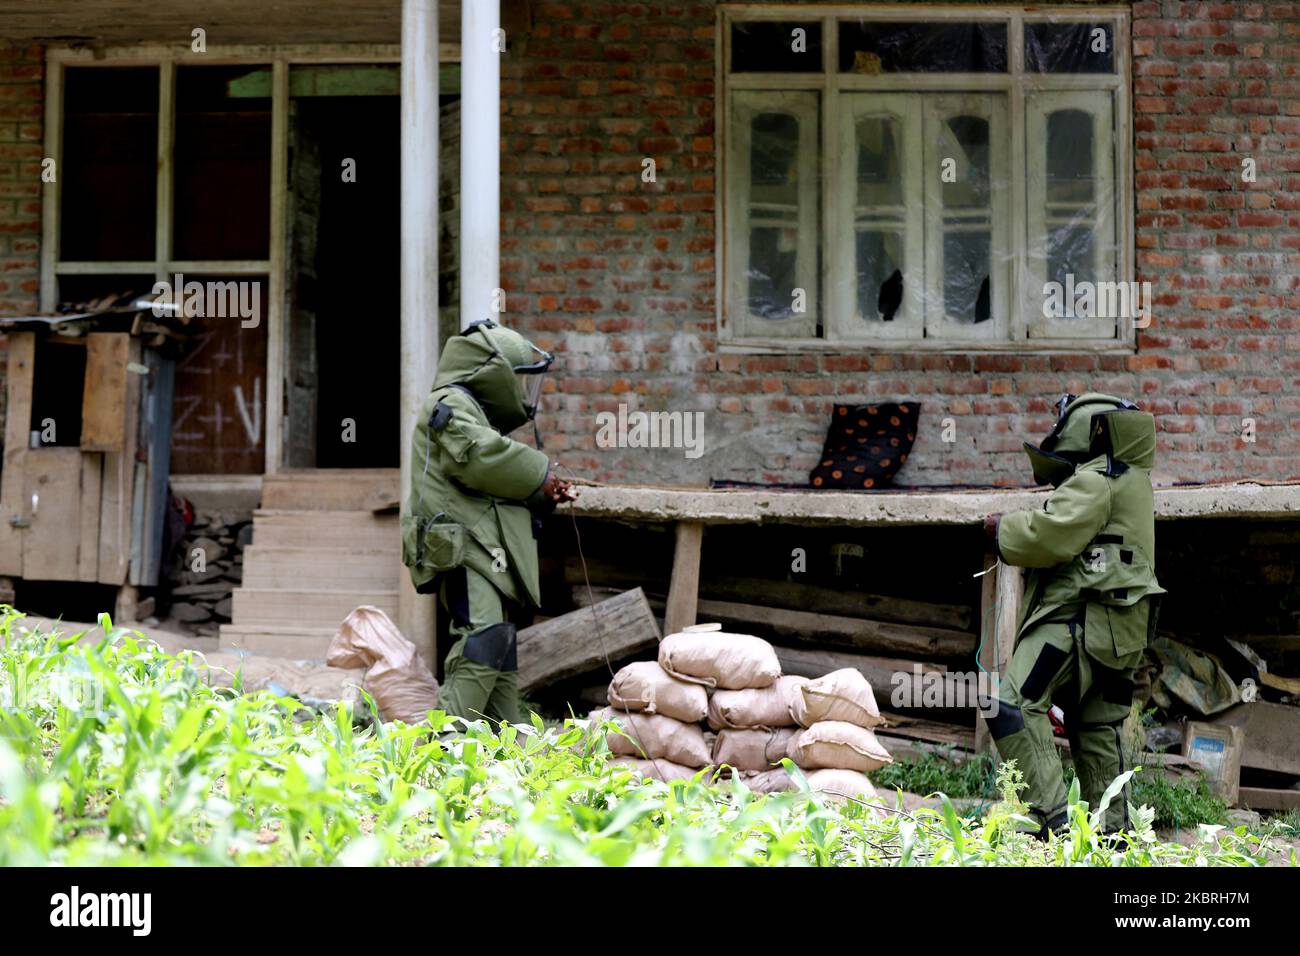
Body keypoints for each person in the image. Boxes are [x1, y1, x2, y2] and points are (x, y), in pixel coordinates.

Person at [983, 393, 1165, 837]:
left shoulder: (1097, 479)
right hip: (1121, 634)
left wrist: (1001, 527)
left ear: (1088, 431)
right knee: (1096, 726)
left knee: (1010, 703)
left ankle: (1052, 820)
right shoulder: (1134, 481)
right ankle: (1115, 839)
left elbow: (1050, 537)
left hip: (1077, 624)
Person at [402, 319, 575, 725]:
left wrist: (540, 493)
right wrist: (541, 474)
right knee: (482, 638)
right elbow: (479, 460)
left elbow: (489, 482)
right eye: (518, 380)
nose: (523, 392)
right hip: (460, 546)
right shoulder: (450, 402)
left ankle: (502, 744)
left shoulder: (471, 410)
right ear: (491, 374)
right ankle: (439, 745)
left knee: (498, 643)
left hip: (477, 543)